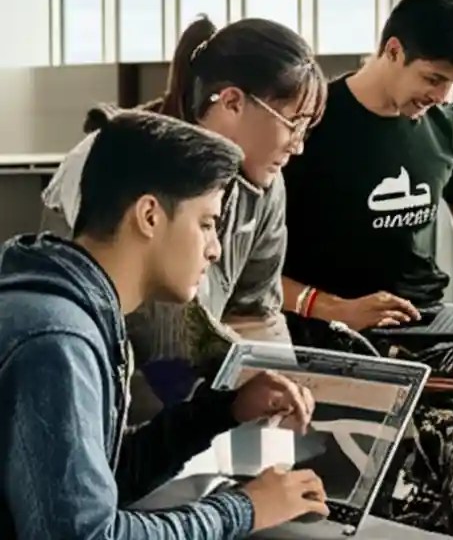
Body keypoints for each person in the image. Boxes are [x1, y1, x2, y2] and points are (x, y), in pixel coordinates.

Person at [0, 111, 327, 539]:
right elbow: (87, 535)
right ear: (150, 215)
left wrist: (221, 411)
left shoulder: (64, 307)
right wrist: (246, 509)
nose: (214, 250)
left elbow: (100, 484)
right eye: (208, 223)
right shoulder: (59, 339)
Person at [41, 15, 327, 415]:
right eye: (292, 124)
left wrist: (282, 403)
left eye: (307, 130)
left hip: (182, 414)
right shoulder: (121, 159)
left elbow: (255, 311)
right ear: (231, 102)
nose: (297, 147)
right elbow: (150, 336)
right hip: (104, 395)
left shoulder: (264, 182)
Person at [281, 0, 453, 331]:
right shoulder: (311, 122)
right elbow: (249, 269)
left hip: (427, 326)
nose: (441, 96)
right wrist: (337, 310)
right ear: (393, 51)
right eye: (433, 79)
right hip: (327, 330)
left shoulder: (449, 125)